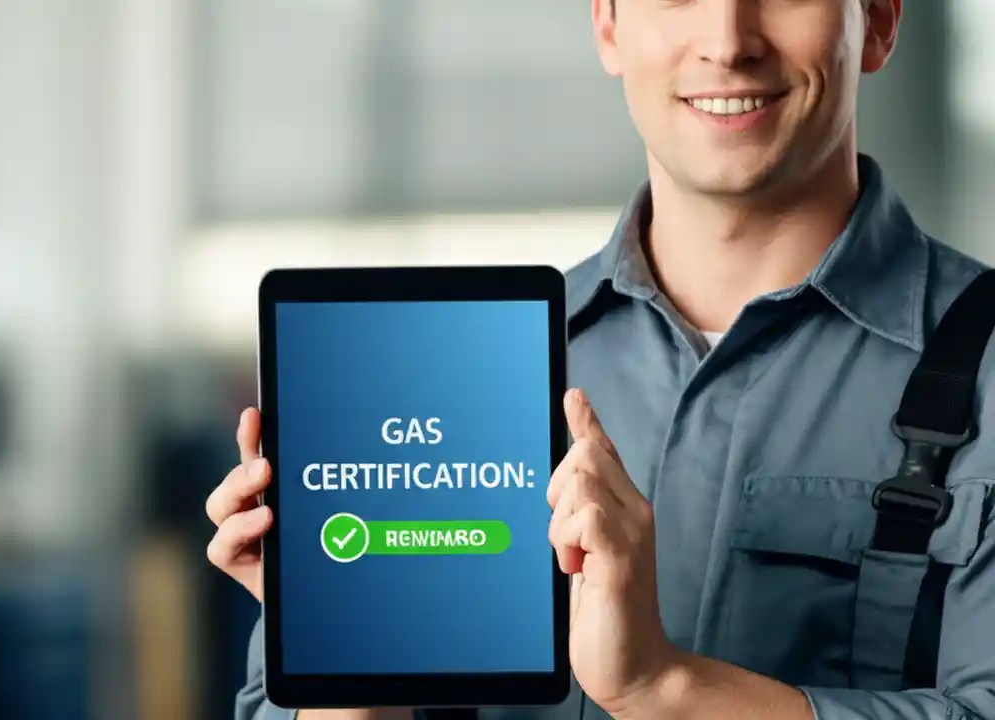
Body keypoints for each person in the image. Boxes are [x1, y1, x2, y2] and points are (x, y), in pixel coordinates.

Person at [208, 0, 995, 717]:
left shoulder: (985, 364)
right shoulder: (443, 373)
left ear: (882, 20)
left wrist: (663, 688)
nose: (727, 41)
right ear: (608, 24)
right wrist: (344, 666)